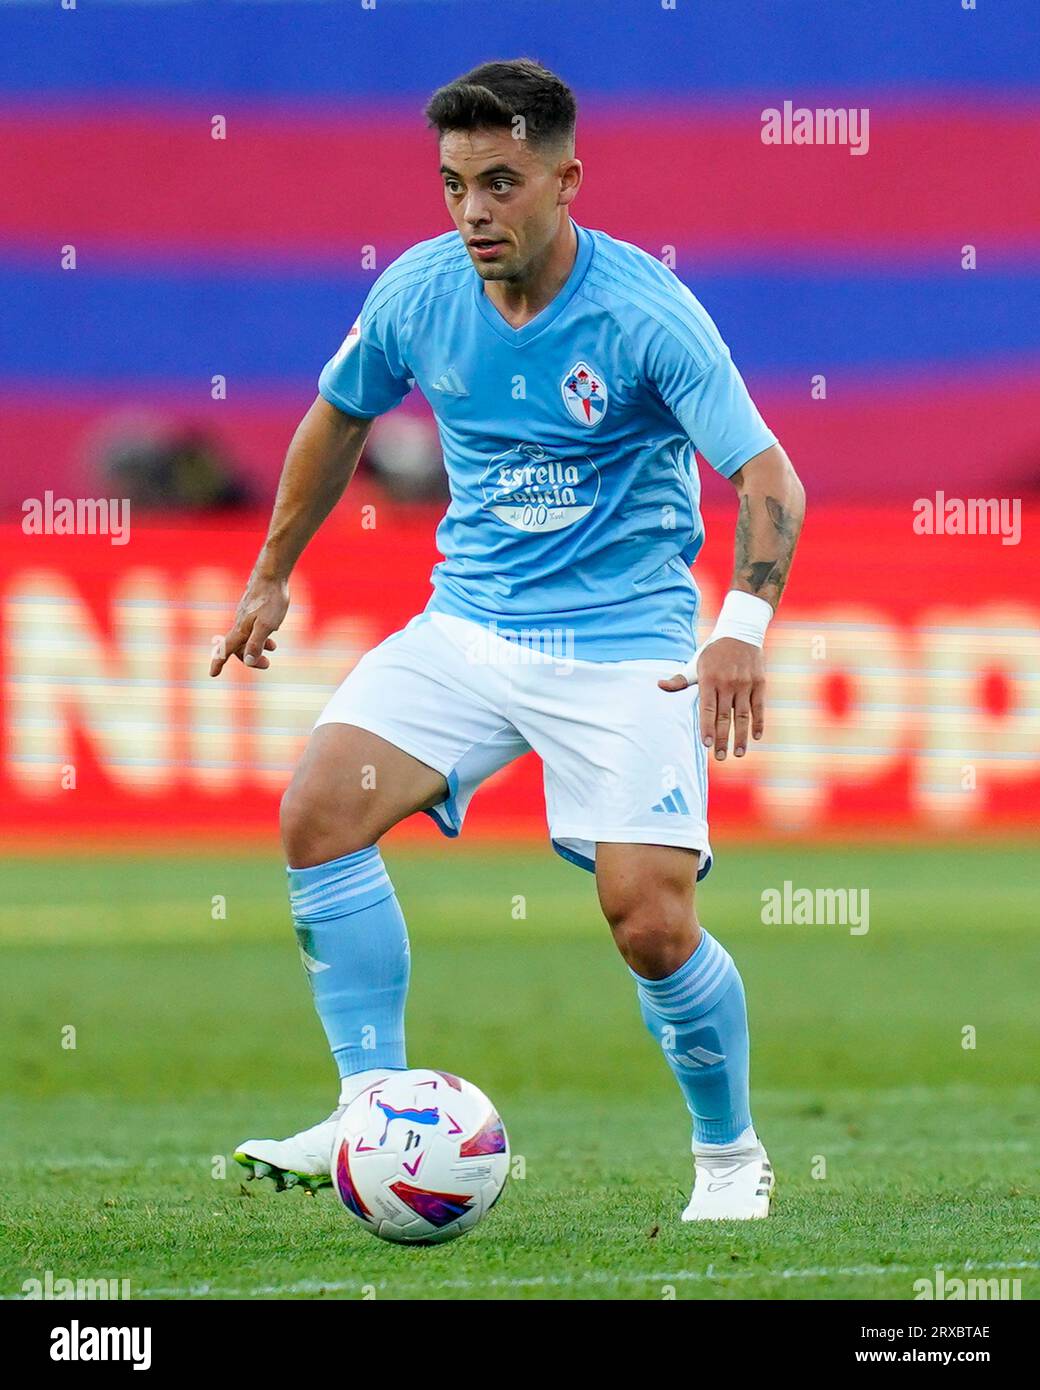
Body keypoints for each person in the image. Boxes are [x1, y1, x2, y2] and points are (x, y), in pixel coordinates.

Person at [212, 58, 805, 1221]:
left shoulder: (643, 311)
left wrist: (741, 625)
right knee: (317, 812)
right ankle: (367, 1098)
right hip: (470, 629)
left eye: (500, 182)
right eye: (451, 185)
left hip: (623, 640)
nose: (473, 211)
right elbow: (338, 416)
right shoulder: (418, 294)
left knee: (647, 919)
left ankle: (729, 1157)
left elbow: (767, 475)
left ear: (564, 181)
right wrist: (271, 572)